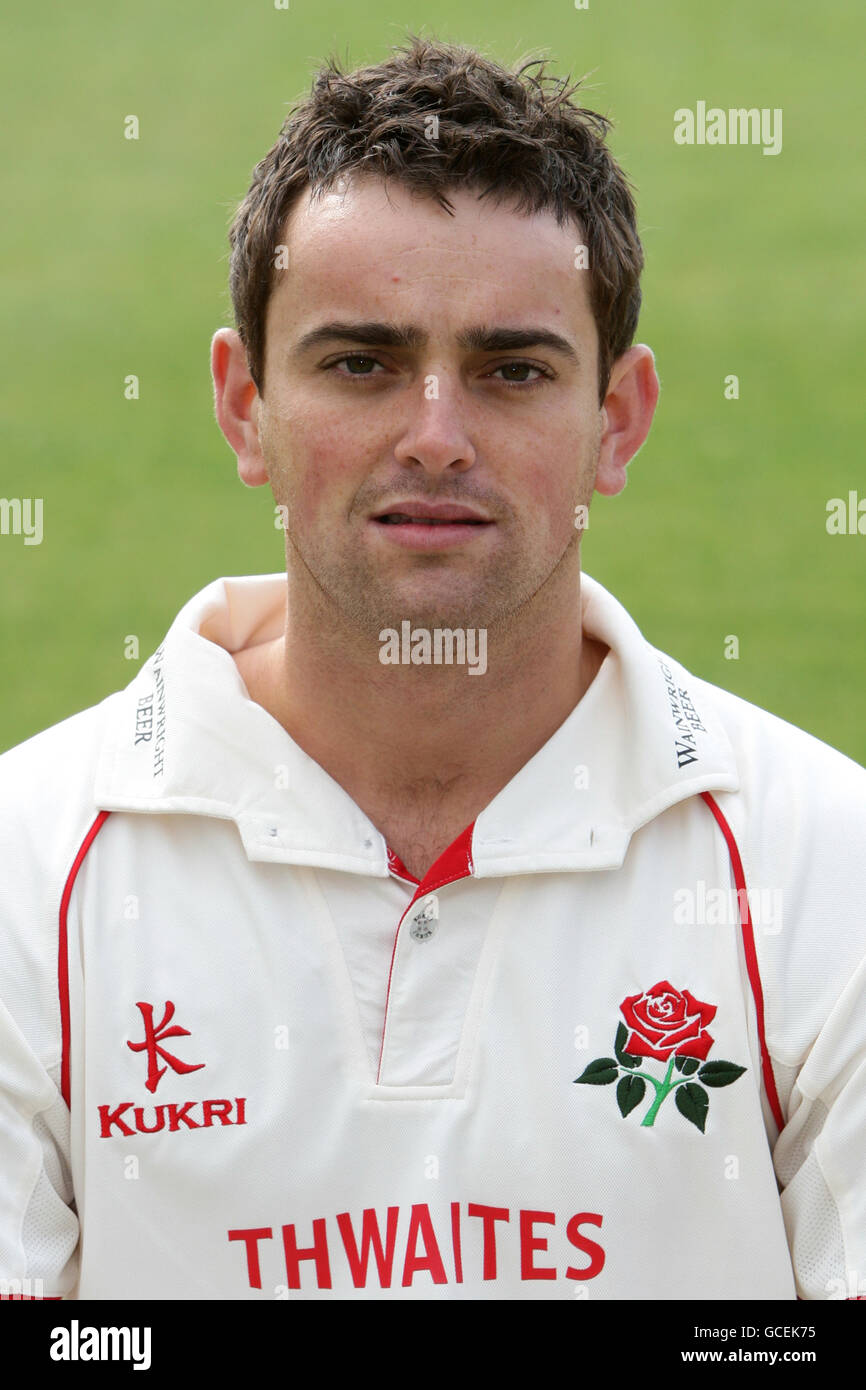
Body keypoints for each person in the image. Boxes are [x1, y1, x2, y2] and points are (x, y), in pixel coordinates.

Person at [1, 33, 864, 1303]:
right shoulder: (28, 871)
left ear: (615, 421)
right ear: (243, 405)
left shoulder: (819, 865)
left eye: (512, 370)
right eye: (361, 362)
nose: (436, 437)